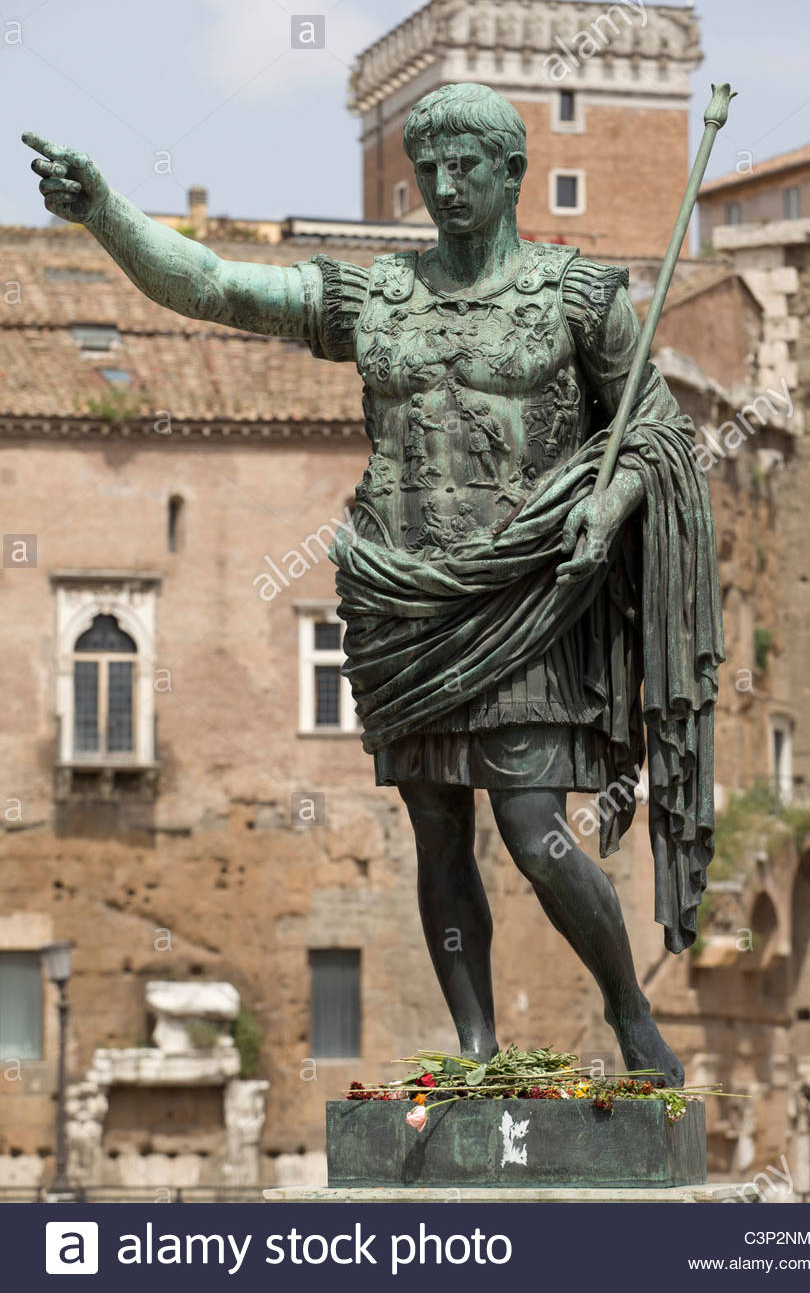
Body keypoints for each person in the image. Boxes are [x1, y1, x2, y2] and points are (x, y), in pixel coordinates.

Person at [24, 82, 724, 1085]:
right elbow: (218, 287)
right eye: (425, 167)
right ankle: (476, 1049)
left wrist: (608, 506)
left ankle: (628, 1012)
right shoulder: (376, 296)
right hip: (400, 602)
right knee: (436, 832)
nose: (441, 185)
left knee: (532, 831)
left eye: (463, 167)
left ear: (511, 173)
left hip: (523, 598)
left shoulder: (578, 295)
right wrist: (107, 216)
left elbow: (655, 429)